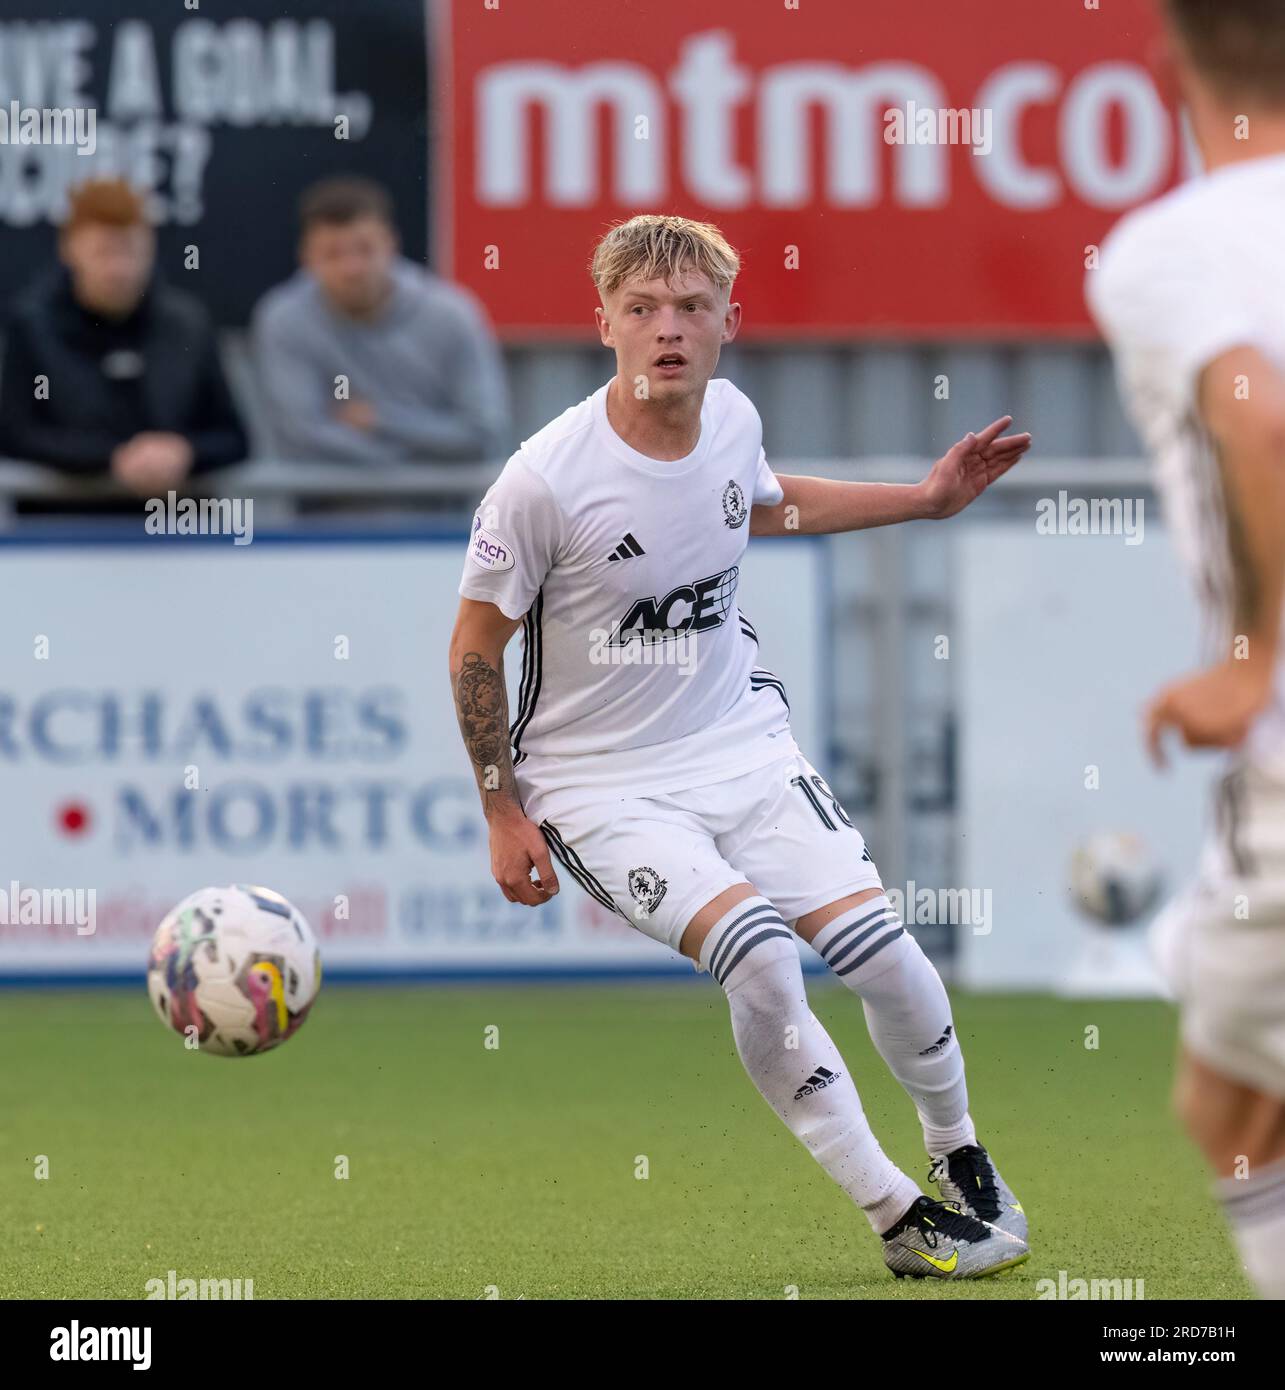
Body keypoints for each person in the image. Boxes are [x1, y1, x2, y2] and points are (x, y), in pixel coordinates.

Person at [449, 214, 1033, 1280]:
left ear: (728, 322)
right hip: (601, 786)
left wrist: (925, 499)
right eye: (641, 311)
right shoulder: (543, 480)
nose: (666, 329)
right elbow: (475, 646)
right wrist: (502, 808)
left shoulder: (730, 419)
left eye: (688, 308)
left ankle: (957, 1151)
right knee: (761, 956)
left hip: (741, 746)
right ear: (605, 326)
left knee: (887, 960)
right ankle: (897, 1213)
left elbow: (766, 505)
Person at [1087, 0, 1285, 1301]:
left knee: (1227, 1098)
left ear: (1166, 72)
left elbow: (1252, 409)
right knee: (1234, 1085)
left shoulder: (1168, 251)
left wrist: (1253, 655)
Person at [0, 178, 248, 493]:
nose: (118, 269)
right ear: (69, 249)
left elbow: (233, 438)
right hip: (64, 526)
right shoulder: (33, 326)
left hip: (177, 525)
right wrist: (112, 458)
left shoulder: (188, 324)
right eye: (103, 252)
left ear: (151, 247)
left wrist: (183, 451)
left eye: (130, 250)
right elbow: (16, 435)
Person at [252, 177, 509, 465]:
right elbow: (300, 435)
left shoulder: (451, 314)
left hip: (437, 507)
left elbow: (484, 433)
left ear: (391, 243)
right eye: (332, 254)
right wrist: (415, 460)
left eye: (365, 249)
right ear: (306, 256)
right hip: (328, 507)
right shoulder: (285, 320)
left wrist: (381, 420)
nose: (351, 268)